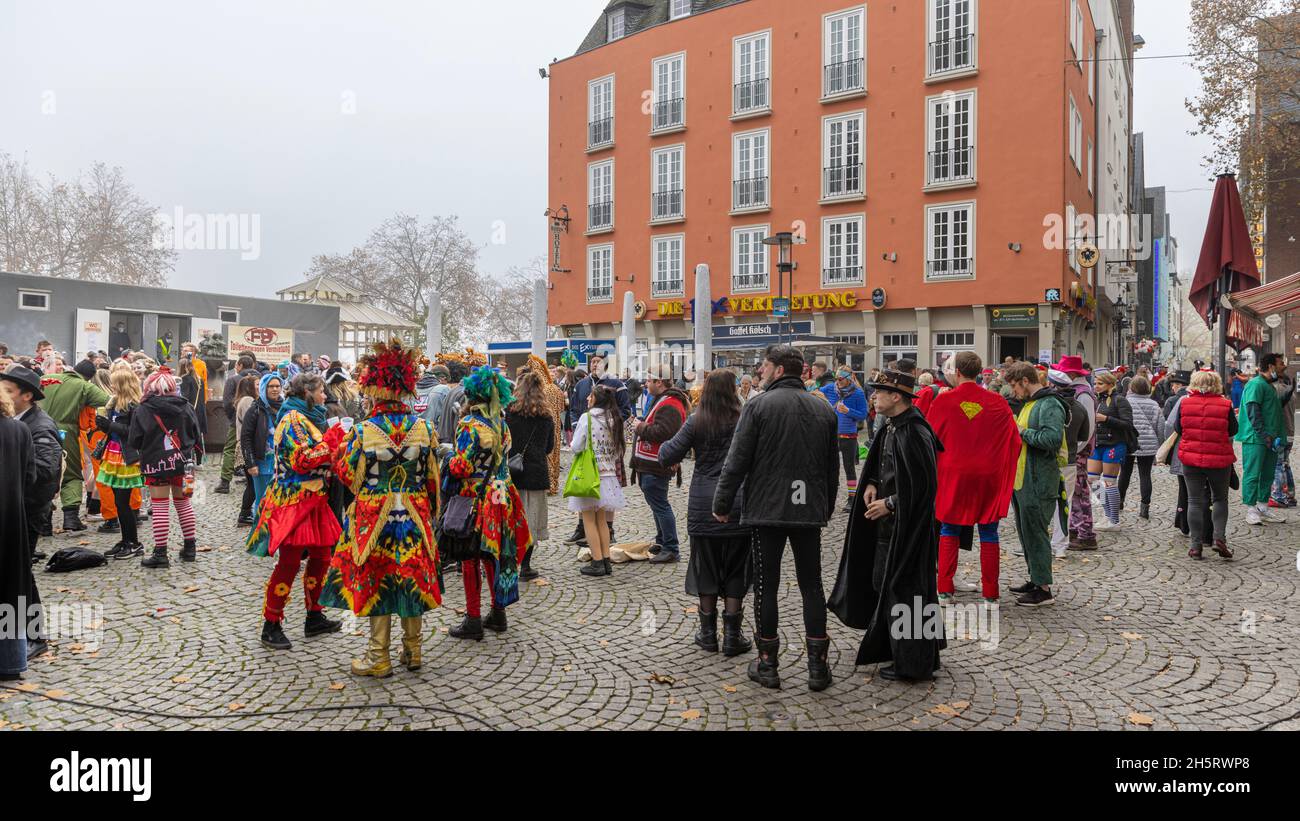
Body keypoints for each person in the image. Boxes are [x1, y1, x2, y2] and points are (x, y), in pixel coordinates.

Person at [715, 344, 838, 692]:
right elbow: (832, 468)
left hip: (767, 509)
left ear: (780, 369)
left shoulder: (758, 406)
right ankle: (818, 666)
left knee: (766, 585)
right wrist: (824, 506)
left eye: (765, 367)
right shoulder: (823, 408)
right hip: (807, 509)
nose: (760, 372)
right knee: (811, 586)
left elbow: (737, 460)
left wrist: (722, 502)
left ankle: (768, 664)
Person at [318, 340, 442, 677]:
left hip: (375, 516)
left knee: (378, 580)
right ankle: (413, 651)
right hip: (414, 513)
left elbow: (347, 476)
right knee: (411, 577)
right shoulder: (425, 428)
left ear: (375, 389)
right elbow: (432, 479)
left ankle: (379, 657)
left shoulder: (363, 431)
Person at [829, 367, 943, 683]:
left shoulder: (915, 431)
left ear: (897, 397)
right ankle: (900, 651)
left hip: (908, 528)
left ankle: (914, 664)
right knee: (887, 585)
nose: (873, 397)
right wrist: (874, 483)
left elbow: (924, 487)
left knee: (908, 591)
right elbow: (886, 465)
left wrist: (890, 503)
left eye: (879, 392)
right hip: (890, 528)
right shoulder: (892, 427)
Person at [246, 373, 347, 650]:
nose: (325, 396)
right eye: (321, 391)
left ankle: (314, 615)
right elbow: (301, 460)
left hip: (313, 500)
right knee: (289, 562)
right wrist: (333, 442)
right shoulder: (292, 419)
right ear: (307, 392)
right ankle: (271, 623)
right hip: (294, 501)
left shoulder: (307, 417)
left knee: (322, 556)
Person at [659, 371, 753, 657]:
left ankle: (708, 634)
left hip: (704, 504)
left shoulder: (697, 420)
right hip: (739, 503)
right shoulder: (744, 419)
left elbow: (667, 454)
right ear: (733, 390)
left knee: (706, 565)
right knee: (737, 567)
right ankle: (732, 637)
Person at [445, 367, 533, 638]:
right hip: (501, 495)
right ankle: (498, 613)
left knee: (470, 555)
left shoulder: (470, 425)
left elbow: (461, 466)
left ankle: (472, 620)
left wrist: (446, 456)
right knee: (493, 553)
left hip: (476, 496)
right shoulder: (501, 424)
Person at [928, 352, 1020, 605]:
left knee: (949, 527)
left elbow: (929, 439)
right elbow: (1014, 440)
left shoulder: (943, 402)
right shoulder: (997, 402)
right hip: (987, 474)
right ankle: (990, 593)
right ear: (979, 372)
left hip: (953, 472)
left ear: (956, 372)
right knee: (989, 530)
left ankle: (945, 589)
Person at [0, 365, 58, 664]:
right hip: (15, 508)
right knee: (19, 575)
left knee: (22, 575)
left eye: (9, 391)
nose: (4, 395)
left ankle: (35, 636)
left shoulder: (39, 425)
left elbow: (47, 472)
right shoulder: (17, 421)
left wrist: (18, 496)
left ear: (27, 396)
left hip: (27, 511)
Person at [1004, 363, 1068, 606]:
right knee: (1027, 533)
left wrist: (1020, 431)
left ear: (1024, 380)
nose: (1013, 392)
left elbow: (1051, 439)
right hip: (1023, 480)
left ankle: (1043, 589)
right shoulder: (1032, 402)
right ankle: (1036, 578)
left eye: (1013, 386)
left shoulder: (1049, 403)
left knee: (1037, 534)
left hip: (1039, 480)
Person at [127, 369, 201, 568]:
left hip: (155, 464)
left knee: (159, 506)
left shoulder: (143, 409)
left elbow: (134, 440)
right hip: (184, 464)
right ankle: (190, 548)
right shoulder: (185, 407)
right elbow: (196, 433)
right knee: (184, 504)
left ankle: (160, 554)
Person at [37, 356, 110, 532]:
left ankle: (43, 521)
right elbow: (108, 401)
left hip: (36, 429)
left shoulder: (45, 379)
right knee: (70, 473)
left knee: (41, 472)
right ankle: (70, 519)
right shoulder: (84, 386)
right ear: (88, 377)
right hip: (66, 433)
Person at [630, 364, 691, 563]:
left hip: (657, 464)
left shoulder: (671, 404)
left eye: (649, 380)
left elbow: (663, 433)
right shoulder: (664, 400)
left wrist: (640, 427)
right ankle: (663, 542)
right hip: (651, 463)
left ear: (659, 382)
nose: (646, 383)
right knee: (657, 504)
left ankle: (671, 547)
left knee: (661, 505)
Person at [1174, 370, 1237, 559]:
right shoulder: (1225, 405)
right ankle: (1219, 538)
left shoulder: (1184, 403)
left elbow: (1178, 428)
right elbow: (1233, 429)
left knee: (1194, 500)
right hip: (1218, 459)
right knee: (1219, 499)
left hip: (1191, 459)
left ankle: (1195, 545)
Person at [566, 384, 626, 578]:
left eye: (590, 396)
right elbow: (618, 451)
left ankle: (597, 562)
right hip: (608, 475)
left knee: (589, 521)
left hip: (591, 475)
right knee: (602, 520)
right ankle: (606, 560)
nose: (587, 399)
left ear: (595, 399)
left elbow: (576, 446)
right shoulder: (614, 418)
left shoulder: (588, 418)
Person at [506, 371, 557, 581]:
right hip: (536, 472)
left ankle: (509, 562)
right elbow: (549, 447)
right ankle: (526, 566)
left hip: (512, 472)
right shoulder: (546, 417)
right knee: (531, 520)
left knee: (511, 518)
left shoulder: (510, 413)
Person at [0, 387, 35, 681]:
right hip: (12, 519)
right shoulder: (20, 430)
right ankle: (12, 662)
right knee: (11, 588)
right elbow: (30, 475)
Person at [94, 367, 145, 559]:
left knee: (123, 502)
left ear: (123, 385)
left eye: (115, 383)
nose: (112, 386)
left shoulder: (136, 406)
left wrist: (111, 425)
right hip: (114, 453)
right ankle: (126, 540)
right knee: (119, 501)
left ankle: (133, 543)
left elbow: (135, 432)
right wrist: (104, 425)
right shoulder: (115, 403)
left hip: (127, 456)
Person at [1236, 353, 1288, 525]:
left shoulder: (1268, 386)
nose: (1284, 366)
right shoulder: (1255, 384)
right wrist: (1265, 435)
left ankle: (1262, 506)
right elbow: (1253, 412)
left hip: (1271, 439)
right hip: (1256, 438)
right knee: (1252, 474)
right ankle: (1251, 509)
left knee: (1267, 474)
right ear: (1271, 366)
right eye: (1281, 363)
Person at [1054, 356, 1098, 550]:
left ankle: (1086, 533)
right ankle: (1073, 529)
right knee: (1072, 492)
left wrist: (1075, 449)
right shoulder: (1078, 391)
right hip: (1073, 449)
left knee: (1079, 492)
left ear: (1070, 374)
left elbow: (1087, 429)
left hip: (1077, 450)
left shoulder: (1084, 394)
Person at [1047, 370, 1089, 558]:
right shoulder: (1079, 407)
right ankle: (1061, 545)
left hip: (1049, 459)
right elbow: (1084, 435)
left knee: (1044, 502)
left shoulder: (1048, 405)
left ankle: (1045, 542)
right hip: (1070, 460)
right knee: (1065, 504)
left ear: (1052, 385)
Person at [1089, 371, 1136, 531]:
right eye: (1095, 383)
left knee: (1109, 482)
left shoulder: (1120, 400)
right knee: (1092, 479)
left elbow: (1128, 424)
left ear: (1110, 384)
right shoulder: (1097, 399)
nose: (1096, 386)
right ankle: (1107, 514)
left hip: (1115, 444)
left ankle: (1114, 520)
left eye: (1100, 383)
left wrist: (1106, 419)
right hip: (1098, 444)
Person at [240, 373, 283, 522]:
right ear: (264, 388)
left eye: (278, 386)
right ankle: (259, 535)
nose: (275, 389)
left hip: (282, 464)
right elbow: (245, 438)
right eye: (271, 386)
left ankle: (274, 534)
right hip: (262, 463)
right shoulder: (255, 409)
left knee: (278, 501)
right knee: (262, 500)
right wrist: (250, 463)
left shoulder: (285, 407)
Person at [820, 366, 869, 498]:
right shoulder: (830, 389)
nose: (838, 381)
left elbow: (863, 415)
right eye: (836, 378)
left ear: (849, 378)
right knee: (829, 466)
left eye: (841, 378)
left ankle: (852, 498)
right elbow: (815, 393)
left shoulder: (858, 393)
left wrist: (848, 411)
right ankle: (830, 494)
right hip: (830, 434)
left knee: (849, 468)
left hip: (848, 435)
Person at [1119, 375, 1162, 520]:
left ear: (1131, 387)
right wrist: (1160, 445)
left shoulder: (1125, 402)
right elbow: (1160, 427)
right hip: (1148, 444)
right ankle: (1145, 508)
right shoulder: (1154, 405)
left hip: (1127, 442)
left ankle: (1119, 502)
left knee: (1125, 473)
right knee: (1145, 475)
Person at [522, 354, 566, 495]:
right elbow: (562, 409)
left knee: (546, 455)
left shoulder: (542, 390)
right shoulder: (556, 388)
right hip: (556, 426)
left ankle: (548, 484)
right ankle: (554, 484)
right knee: (555, 454)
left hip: (544, 426)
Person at [218, 355, 260, 494]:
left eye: (236, 364)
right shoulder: (261, 378)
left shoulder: (233, 379)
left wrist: (233, 418)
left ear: (240, 365)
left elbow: (227, 403)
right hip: (259, 422)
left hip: (237, 421)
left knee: (230, 449)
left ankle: (225, 481)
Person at [232, 374, 260, 526]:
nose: (259, 386)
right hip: (246, 447)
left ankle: (246, 513)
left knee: (252, 484)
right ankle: (244, 514)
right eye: (257, 384)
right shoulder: (248, 401)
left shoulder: (245, 400)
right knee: (252, 484)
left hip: (243, 445)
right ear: (250, 387)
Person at [1270, 362, 1296, 508]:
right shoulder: (1290, 393)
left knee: (1278, 464)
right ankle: (1290, 495)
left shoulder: (1276, 390)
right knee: (1285, 464)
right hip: (1291, 432)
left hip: (1281, 433)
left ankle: (1278, 495)